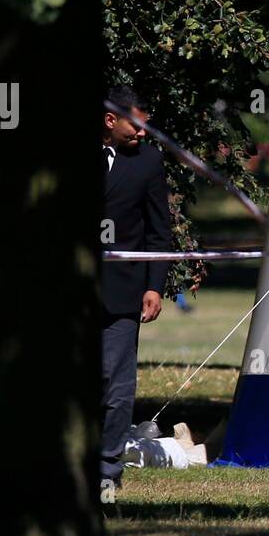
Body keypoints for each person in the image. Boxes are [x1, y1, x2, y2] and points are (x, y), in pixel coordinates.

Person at [100, 85, 173, 491]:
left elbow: (158, 232)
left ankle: (106, 470)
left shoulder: (147, 163)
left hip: (123, 294)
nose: (143, 133)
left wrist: (155, 286)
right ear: (111, 120)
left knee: (116, 385)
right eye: (137, 125)